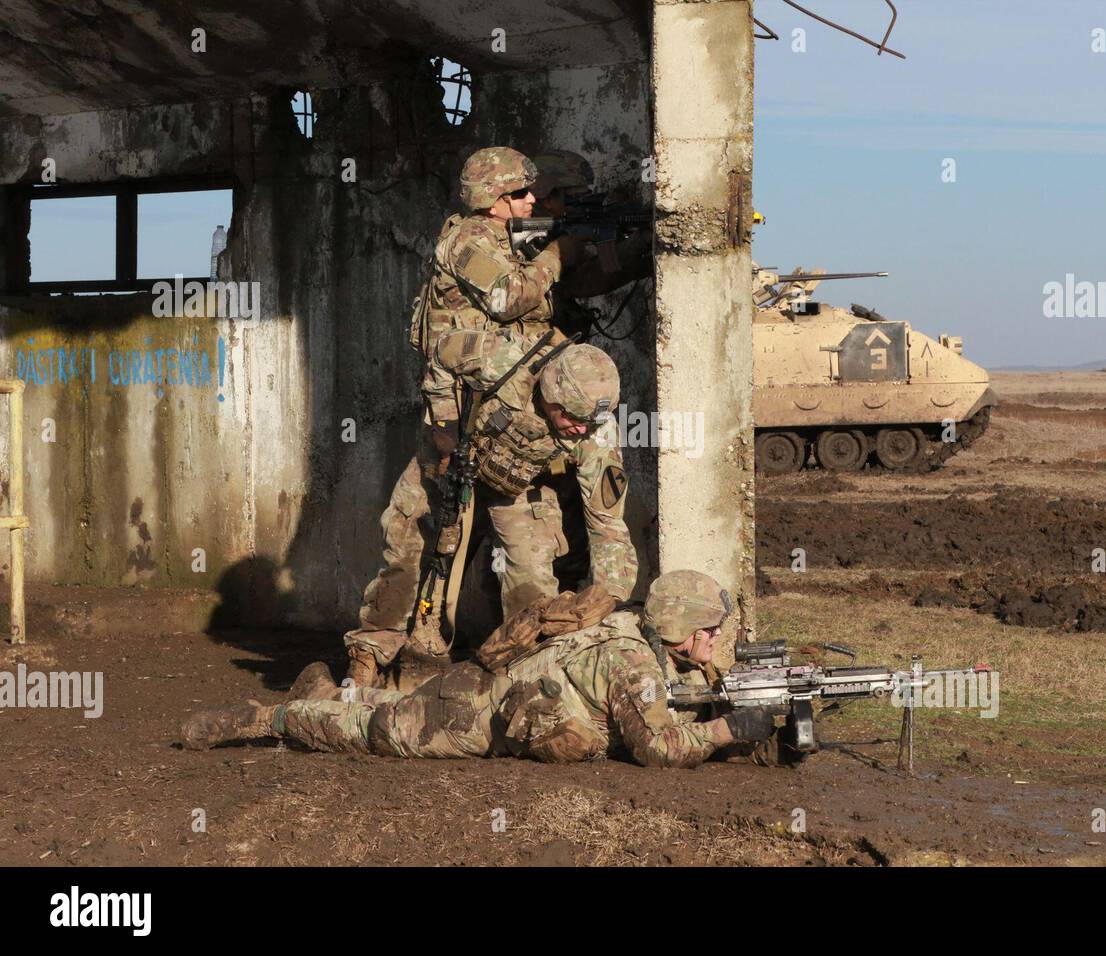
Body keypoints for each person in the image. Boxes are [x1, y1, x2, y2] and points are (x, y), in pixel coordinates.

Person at [343, 147, 581, 689]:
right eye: (520, 194)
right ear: (494, 199)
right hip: (459, 420)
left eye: (534, 194)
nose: (531, 201)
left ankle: (528, 666)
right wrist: (559, 254)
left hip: (510, 422)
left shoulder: (506, 238)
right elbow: (506, 297)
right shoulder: (471, 239)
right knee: (419, 538)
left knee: (526, 544)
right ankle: (380, 656)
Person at [181, 571, 775, 768]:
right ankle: (271, 717)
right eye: (714, 629)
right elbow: (660, 750)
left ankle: (331, 693)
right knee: (376, 735)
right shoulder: (635, 665)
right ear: (687, 632)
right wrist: (729, 730)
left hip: (485, 686)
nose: (719, 639)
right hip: (473, 713)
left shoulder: (633, 629)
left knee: (390, 711)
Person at [342, 331, 637, 687]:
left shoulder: (595, 432)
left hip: (516, 484)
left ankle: (525, 674)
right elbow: (443, 353)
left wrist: (609, 596)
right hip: (449, 460)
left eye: (589, 422)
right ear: (551, 394)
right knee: (408, 551)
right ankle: (369, 657)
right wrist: (445, 428)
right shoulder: (507, 359)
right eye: (573, 417)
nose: (581, 428)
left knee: (532, 570)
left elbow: (607, 524)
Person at [528, 149, 653, 338]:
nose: (585, 201)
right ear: (548, 198)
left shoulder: (561, 227)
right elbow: (579, 284)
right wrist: (556, 252)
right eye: (575, 198)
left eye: (586, 193)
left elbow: (593, 276)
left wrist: (640, 255)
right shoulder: (528, 238)